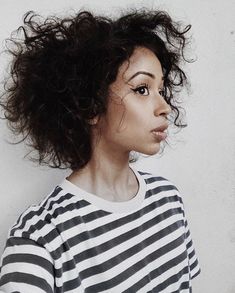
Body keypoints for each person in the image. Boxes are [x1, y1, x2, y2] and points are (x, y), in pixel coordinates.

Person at [0, 7, 200, 293]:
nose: (164, 107)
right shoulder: (40, 239)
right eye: (142, 89)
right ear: (91, 105)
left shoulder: (169, 200)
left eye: (162, 89)